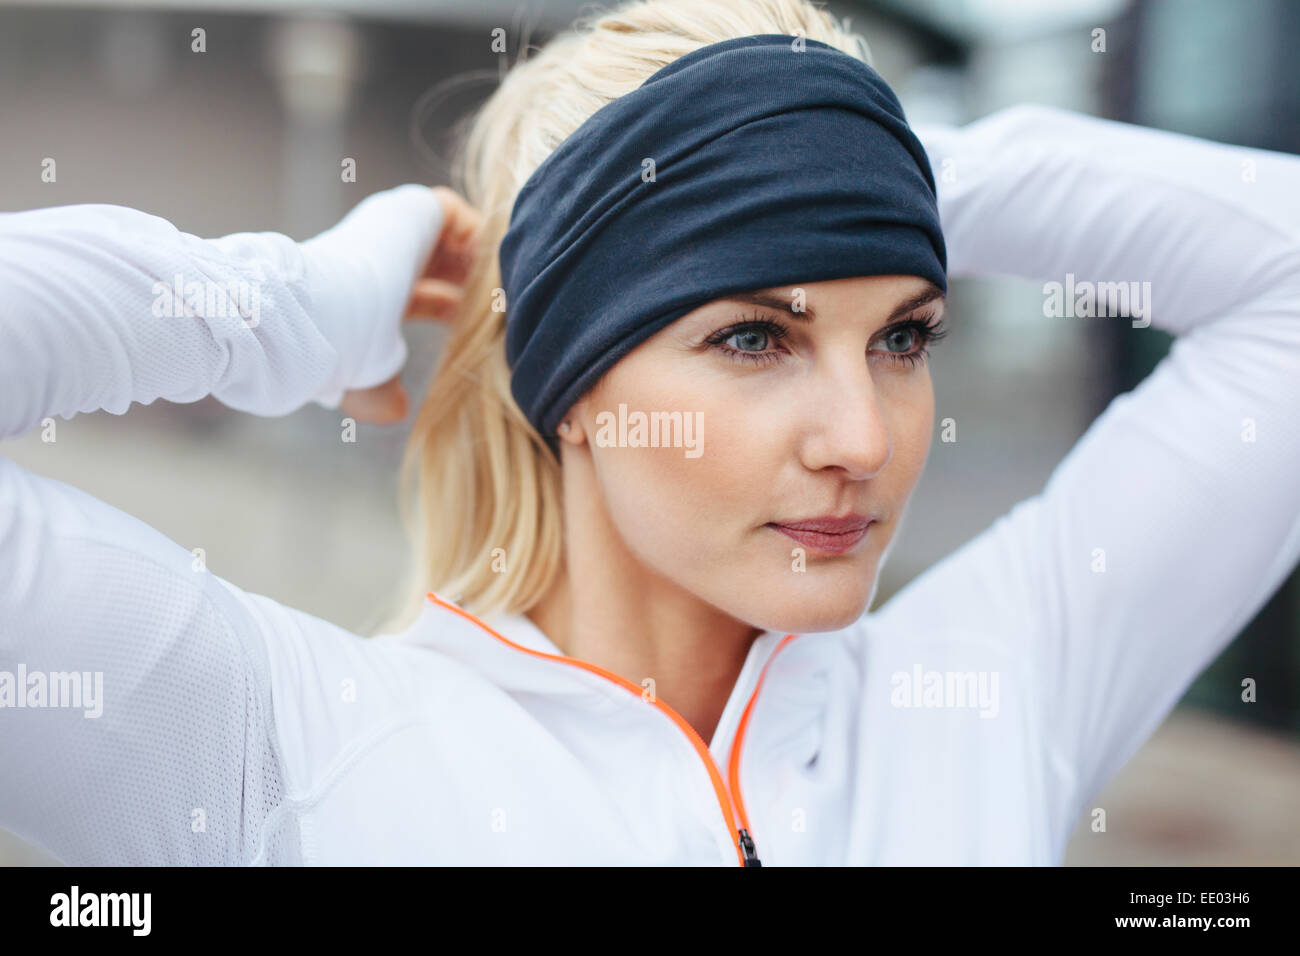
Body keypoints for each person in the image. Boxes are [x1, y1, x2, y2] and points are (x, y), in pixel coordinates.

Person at [3, 0, 1299, 866]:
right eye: (754, 339)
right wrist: (277, 310)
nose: (864, 436)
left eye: (903, 336)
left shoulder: (994, 690)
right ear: (567, 384)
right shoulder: (278, 749)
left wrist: (858, 150)